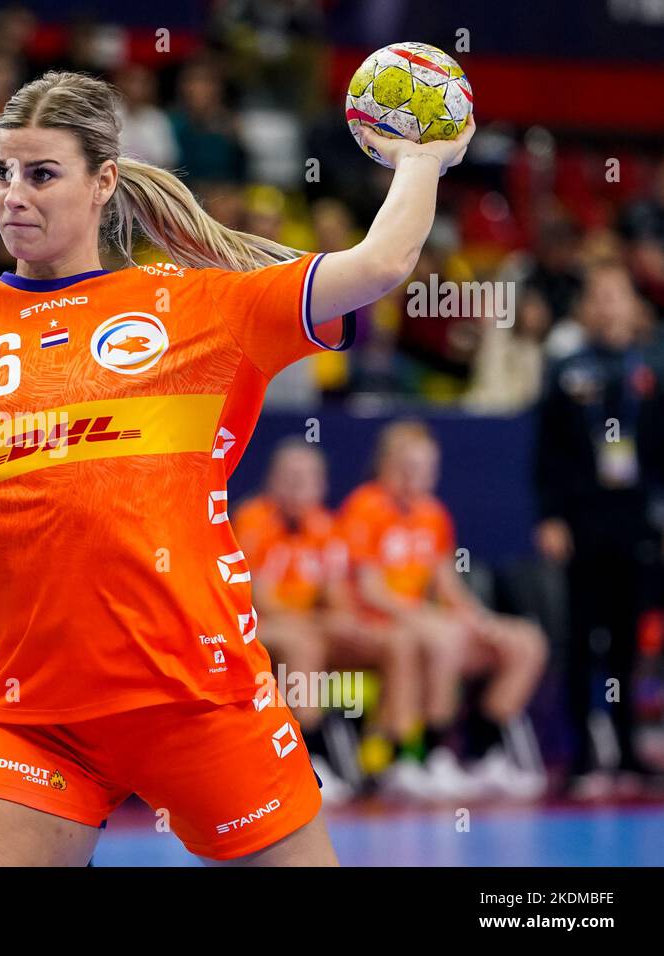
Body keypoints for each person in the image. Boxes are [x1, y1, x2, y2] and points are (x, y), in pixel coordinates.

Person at [0, 70, 475, 866]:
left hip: (200, 702)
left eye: (41, 174)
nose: (12, 196)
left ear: (103, 182)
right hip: (38, 716)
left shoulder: (204, 307)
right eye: (1, 172)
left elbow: (378, 265)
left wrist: (423, 161)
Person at [339, 421, 549, 801]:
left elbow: (449, 586)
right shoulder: (365, 506)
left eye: (424, 468)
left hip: (427, 623)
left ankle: (485, 751)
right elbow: (370, 591)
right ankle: (427, 755)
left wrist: (483, 622)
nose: (414, 477)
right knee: (444, 637)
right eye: (406, 467)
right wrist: (426, 617)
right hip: (380, 624)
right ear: (385, 464)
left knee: (525, 642)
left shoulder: (434, 514)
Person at [534, 262, 664, 797]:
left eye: (618, 296)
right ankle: (583, 754)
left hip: (635, 518)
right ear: (587, 307)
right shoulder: (567, 367)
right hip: (583, 519)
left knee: (630, 639)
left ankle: (630, 747)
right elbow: (547, 451)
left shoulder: (652, 366)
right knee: (582, 636)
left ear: (634, 306)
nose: (609, 306)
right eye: (600, 296)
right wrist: (549, 516)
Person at [233, 439, 421, 804]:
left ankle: (388, 759)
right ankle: (311, 756)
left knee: (395, 640)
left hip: (307, 622)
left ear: (321, 485)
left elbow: (336, 595)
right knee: (306, 645)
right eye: (289, 478)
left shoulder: (325, 526)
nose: (297, 487)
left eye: (307, 479)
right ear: (272, 481)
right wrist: (323, 622)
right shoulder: (253, 518)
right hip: (255, 626)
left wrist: (349, 622)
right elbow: (262, 599)